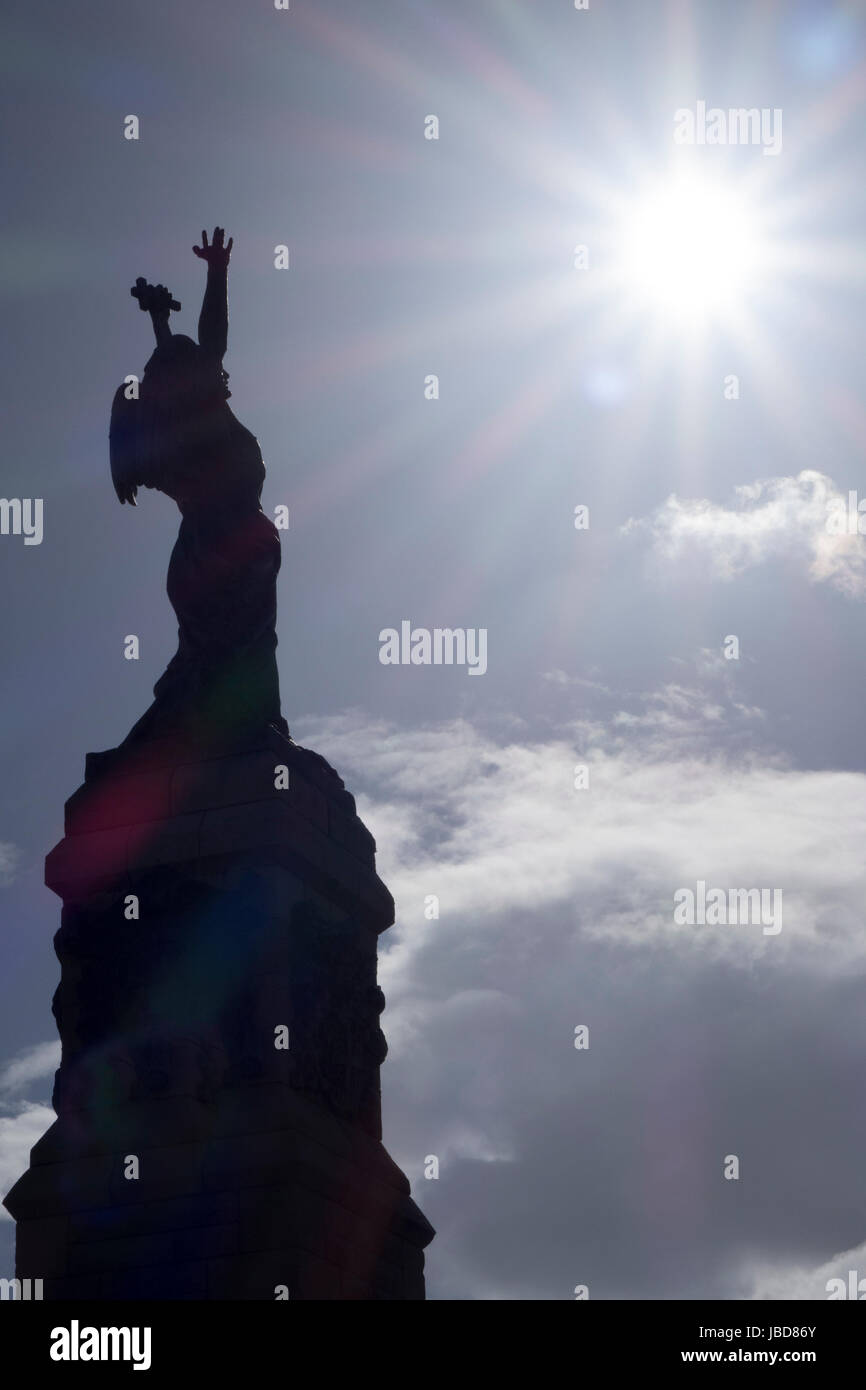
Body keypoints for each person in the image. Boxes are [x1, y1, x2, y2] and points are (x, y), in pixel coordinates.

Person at [109, 228, 289, 751]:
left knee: (240, 647)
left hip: (226, 548)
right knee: (236, 648)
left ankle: (231, 727)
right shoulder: (188, 430)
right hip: (221, 546)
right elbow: (211, 341)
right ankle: (230, 733)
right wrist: (215, 273)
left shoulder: (191, 424)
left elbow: (200, 349)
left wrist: (163, 320)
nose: (207, 367)